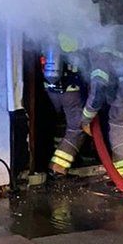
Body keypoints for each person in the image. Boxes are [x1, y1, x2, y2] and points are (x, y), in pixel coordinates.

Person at [80, 44, 123, 182]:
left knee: (120, 134)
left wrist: (86, 118)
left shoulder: (99, 56)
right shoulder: (115, 45)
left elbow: (98, 92)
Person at [42, 34, 86, 176]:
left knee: (61, 123)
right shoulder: (70, 36)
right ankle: (58, 167)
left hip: (51, 89)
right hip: (70, 89)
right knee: (77, 127)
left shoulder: (48, 37)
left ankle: (63, 154)